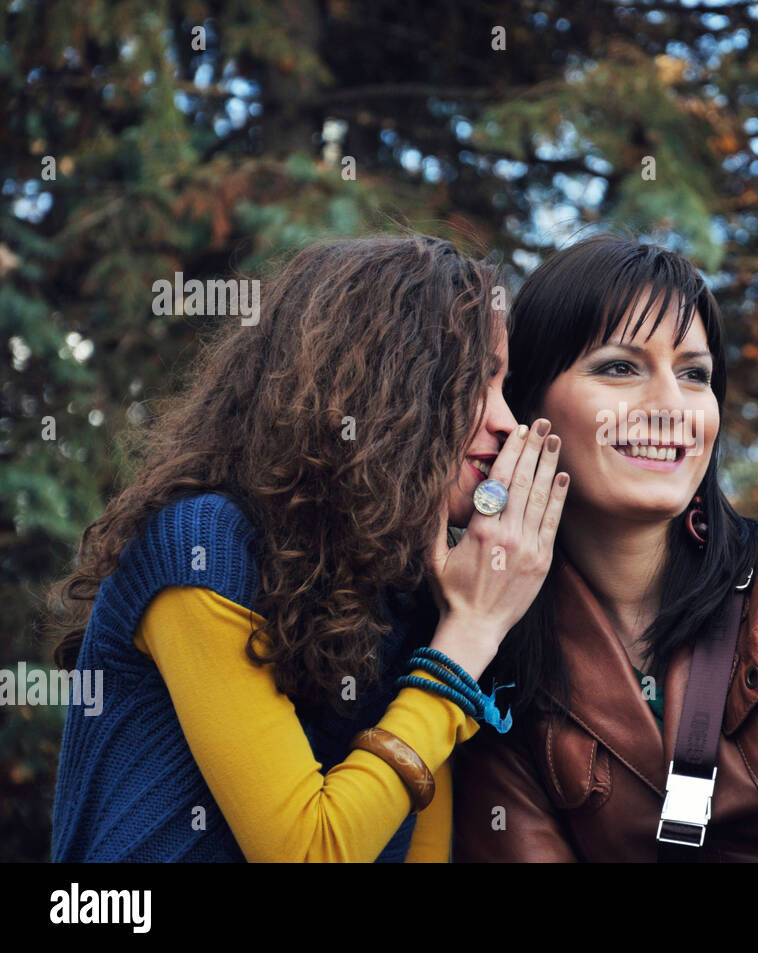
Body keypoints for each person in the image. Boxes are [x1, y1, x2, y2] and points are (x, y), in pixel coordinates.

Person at [45, 234, 568, 861]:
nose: (506, 421)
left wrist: (454, 628)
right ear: (388, 391)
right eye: (475, 385)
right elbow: (309, 851)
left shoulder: (407, 593)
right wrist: (469, 637)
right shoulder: (202, 549)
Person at [452, 234, 758, 861]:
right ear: (528, 407)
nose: (671, 407)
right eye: (619, 367)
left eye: (695, 375)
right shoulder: (494, 648)